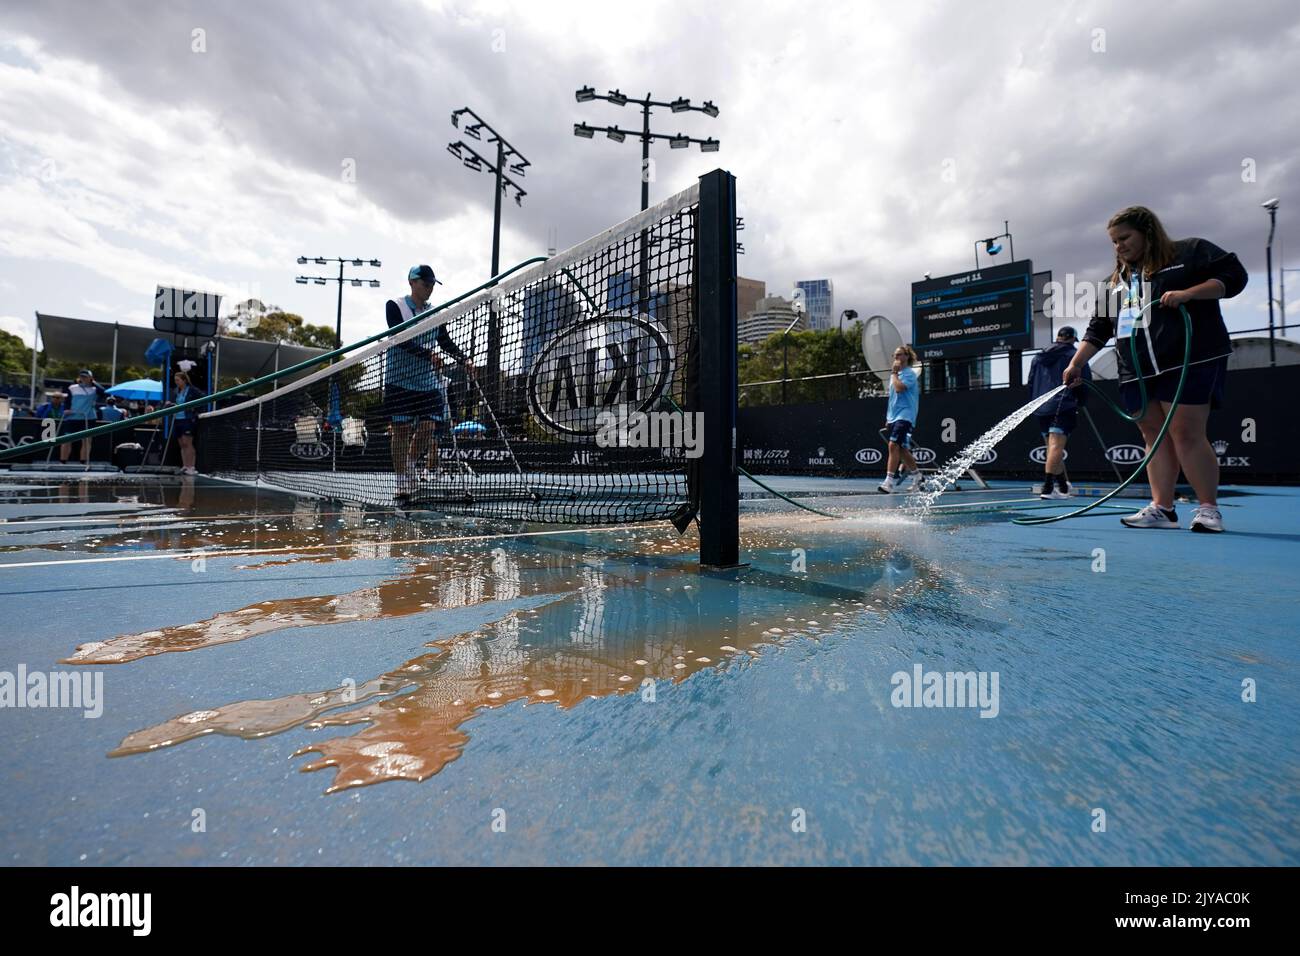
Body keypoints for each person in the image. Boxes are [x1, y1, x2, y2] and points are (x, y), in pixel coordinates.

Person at [1065, 206, 1247, 533]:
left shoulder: (1189, 252)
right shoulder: (1114, 284)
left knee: (1185, 431)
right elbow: (1098, 330)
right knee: (1152, 434)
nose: (1119, 246)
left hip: (1188, 360)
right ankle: (1162, 508)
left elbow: (1234, 277)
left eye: (1125, 238)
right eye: (1114, 242)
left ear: (1147, 232)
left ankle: (1208, 509)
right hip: (1135, 370)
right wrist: (1076, 363)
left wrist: (1189, 294)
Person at [384, 264, 474, 501]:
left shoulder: (436, 312)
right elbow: (398, 338)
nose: (430, 288)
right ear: (412, 282)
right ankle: (402, 479)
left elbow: (445, 341)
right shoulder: (395, 306)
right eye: (426, 283)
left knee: (428, 428)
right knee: (401, 430)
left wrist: (463, 359)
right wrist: (428, 355)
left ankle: (411, 465)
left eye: (433, 284)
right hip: (399, 380)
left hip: (427, 382)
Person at [1029, 326, 1091, 499]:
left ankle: (1063, 486)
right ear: (1072, 338)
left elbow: (1031, 383)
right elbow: (1084, 380)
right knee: (1056, 447)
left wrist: (1034, 405)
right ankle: (1048, 488)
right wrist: (1082, 400)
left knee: (1052, 448)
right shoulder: (1075, 356)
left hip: (1041, 408)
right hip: (1062, 406)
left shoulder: (1038, 357)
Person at [878, 345, 921, 493]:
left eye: (900, 355)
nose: (896, 358)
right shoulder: (894, 376)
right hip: (895, 416)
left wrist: (894, 373)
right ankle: (917, 476)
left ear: (907, 357)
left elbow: (899, 388)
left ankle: (888, 482)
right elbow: (893, 398)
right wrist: (889, 417)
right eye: (895, 355)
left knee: (893, 445)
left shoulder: (909, 373)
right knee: (902, 449)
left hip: (906, 415)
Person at [163, 370, 206, 475]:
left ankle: (191, 467)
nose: (176, 382)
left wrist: (194, 410)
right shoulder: (176, 391)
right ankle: (185, 466)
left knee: (188, 443)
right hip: (177, 420)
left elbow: (203, 398)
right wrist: (171, 404)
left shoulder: (192, 390)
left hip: (188, 420)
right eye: (175, 380)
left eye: (178, 380)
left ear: (184, 380)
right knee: (182, 444)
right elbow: (178, 404)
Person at [61, 370, 108, 465]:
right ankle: (62, 462)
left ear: (90, 378)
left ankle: (83, 462)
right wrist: (66, 409)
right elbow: (67, 401)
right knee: (66, 440)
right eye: (82, 376)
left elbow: (105, 393)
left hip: (88, 417)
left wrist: (93, 382)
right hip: (72, 417)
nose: (83, 378)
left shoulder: (95, 389)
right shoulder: (72, 388)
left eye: (85, 377)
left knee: (86, 440)